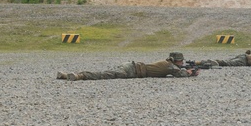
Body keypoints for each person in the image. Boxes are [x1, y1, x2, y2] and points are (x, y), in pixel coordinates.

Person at [56, 51, 200, 81]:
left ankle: (64, 75)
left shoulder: (167, 63)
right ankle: (79, 75)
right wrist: (190, 72)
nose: (182, 63)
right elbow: (180, 74)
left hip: (131, 66)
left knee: (105, 73)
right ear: (175, 61)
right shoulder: (170, 67)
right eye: (181, 61)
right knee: (103, 75)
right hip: (131, 71)